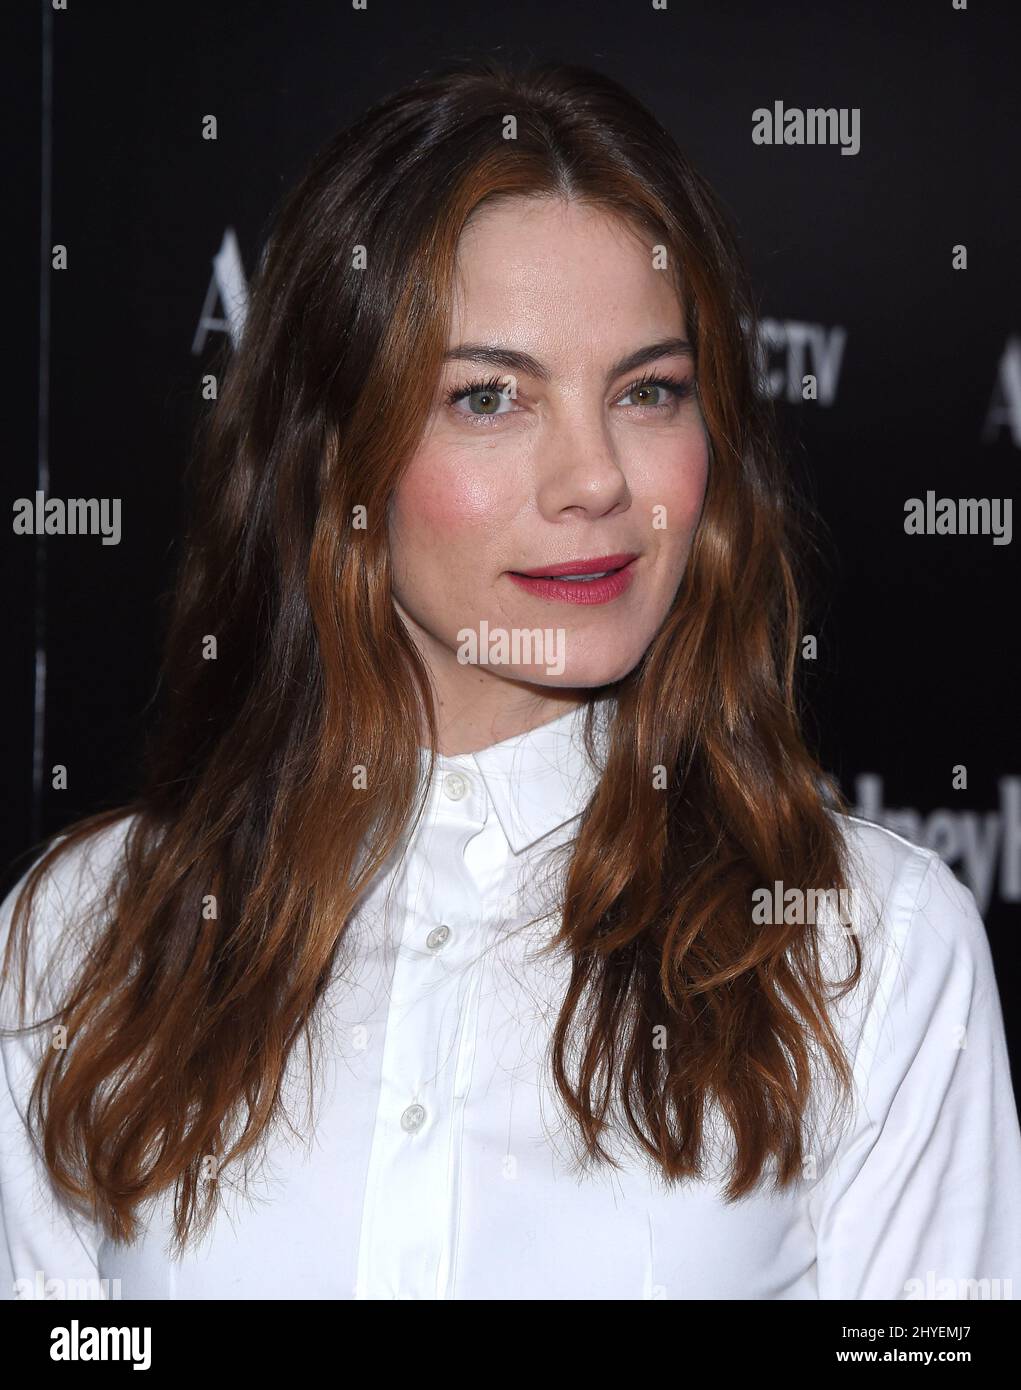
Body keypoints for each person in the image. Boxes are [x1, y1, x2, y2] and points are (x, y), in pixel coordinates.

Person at [3, 57, 1020, 1301]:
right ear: (333, 463)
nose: (594, 479)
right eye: (490, 397)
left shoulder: (871, 946)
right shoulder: (80, 936)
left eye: (648, 391)